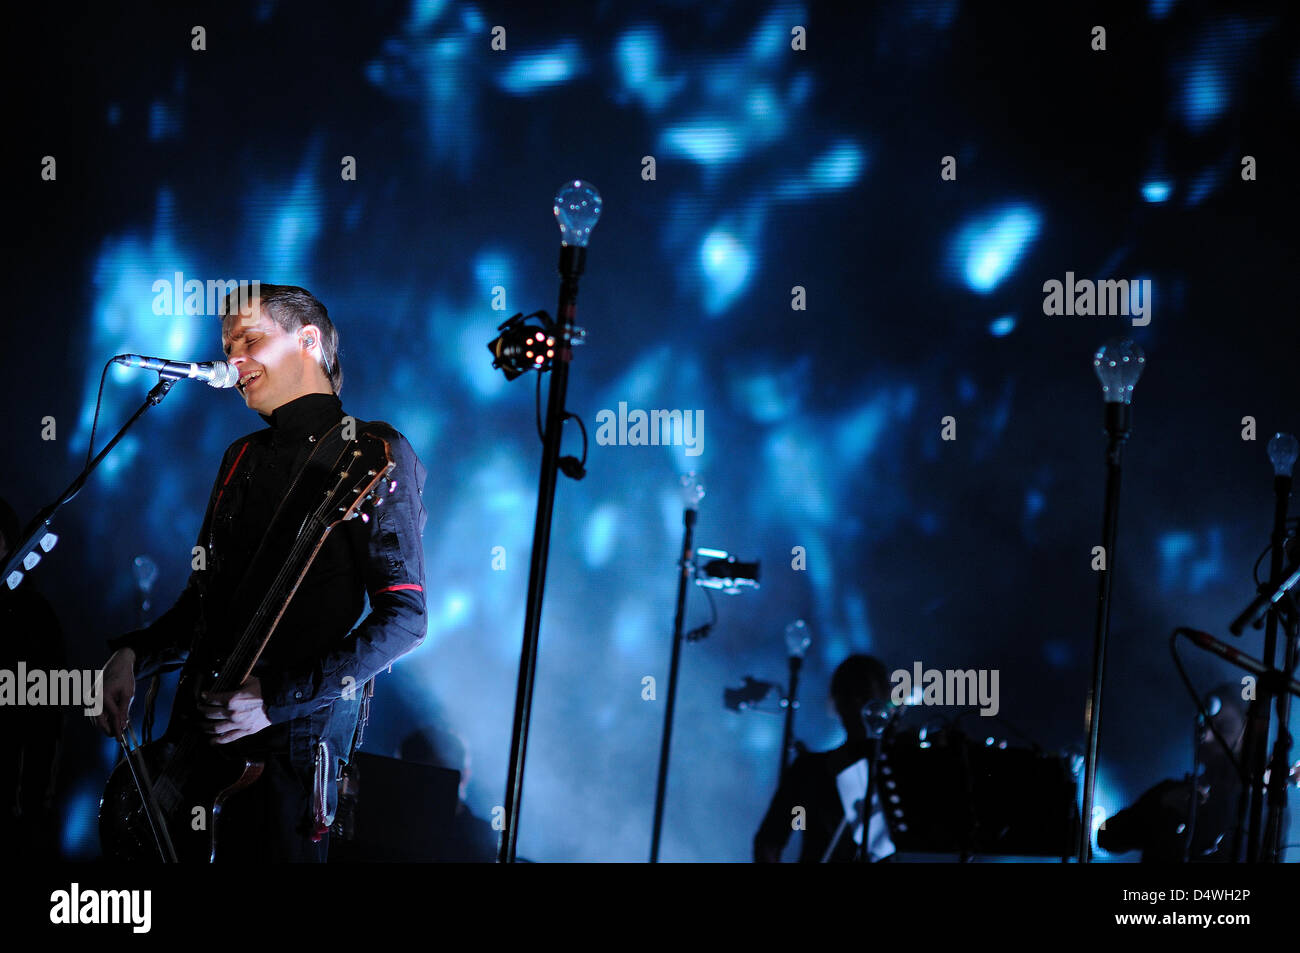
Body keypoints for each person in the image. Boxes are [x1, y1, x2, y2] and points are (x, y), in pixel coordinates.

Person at [93, 284, 429, 862]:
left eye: (249, 340)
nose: (233, 360)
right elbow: (204, 603)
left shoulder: (374, 451)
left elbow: (406, 619)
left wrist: (275, 698)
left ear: (308, 340)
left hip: (284, 755)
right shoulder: (241, 457)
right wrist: (135, 654)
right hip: (193, 741)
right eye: (227, 346)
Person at [754, 654, 897, 862]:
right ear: (838, 704)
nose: (858, 706)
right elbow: (769, 842)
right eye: (849, 696)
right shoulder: (808, 771)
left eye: (865, 696)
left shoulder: (896, 769)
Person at [1098, 685, 1248, 863]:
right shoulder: (1172, 792)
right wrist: (1161, 805)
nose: (1206, 735)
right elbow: (1106, 835)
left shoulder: (1258, 807)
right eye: (1203, 725)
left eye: (1222, 727)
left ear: (1248, 733)